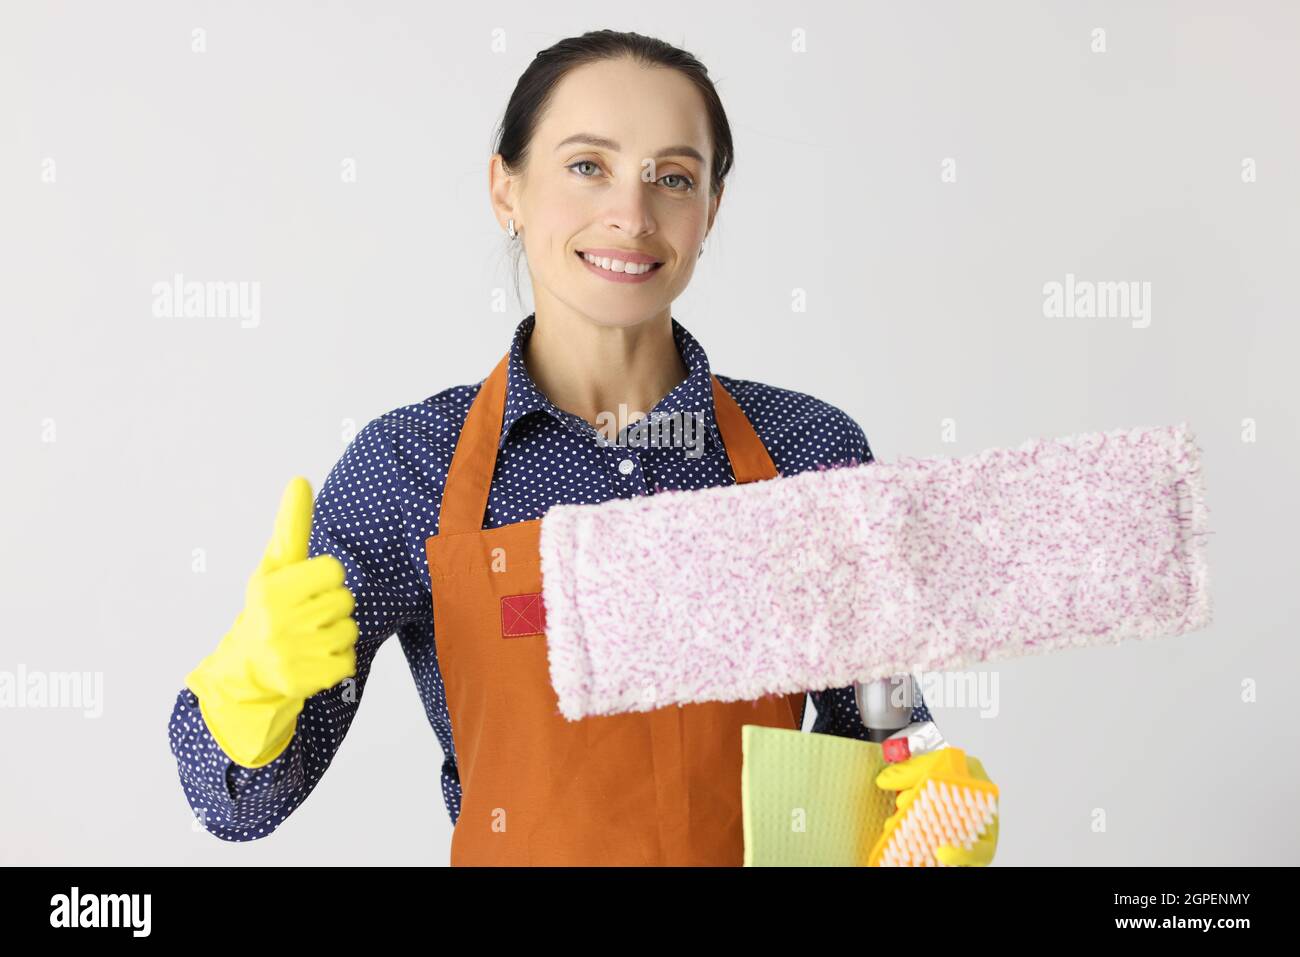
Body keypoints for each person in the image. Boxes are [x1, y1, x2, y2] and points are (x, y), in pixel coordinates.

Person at [168, 29, 995, 866]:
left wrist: (935, 806)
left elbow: (885, 733)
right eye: (587, 166)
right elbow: (236, 808)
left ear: (710, 210)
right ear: (506, 188)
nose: (631, 216)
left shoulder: (809, 452)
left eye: (672, 178)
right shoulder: (411, 466)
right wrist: (251, 687)